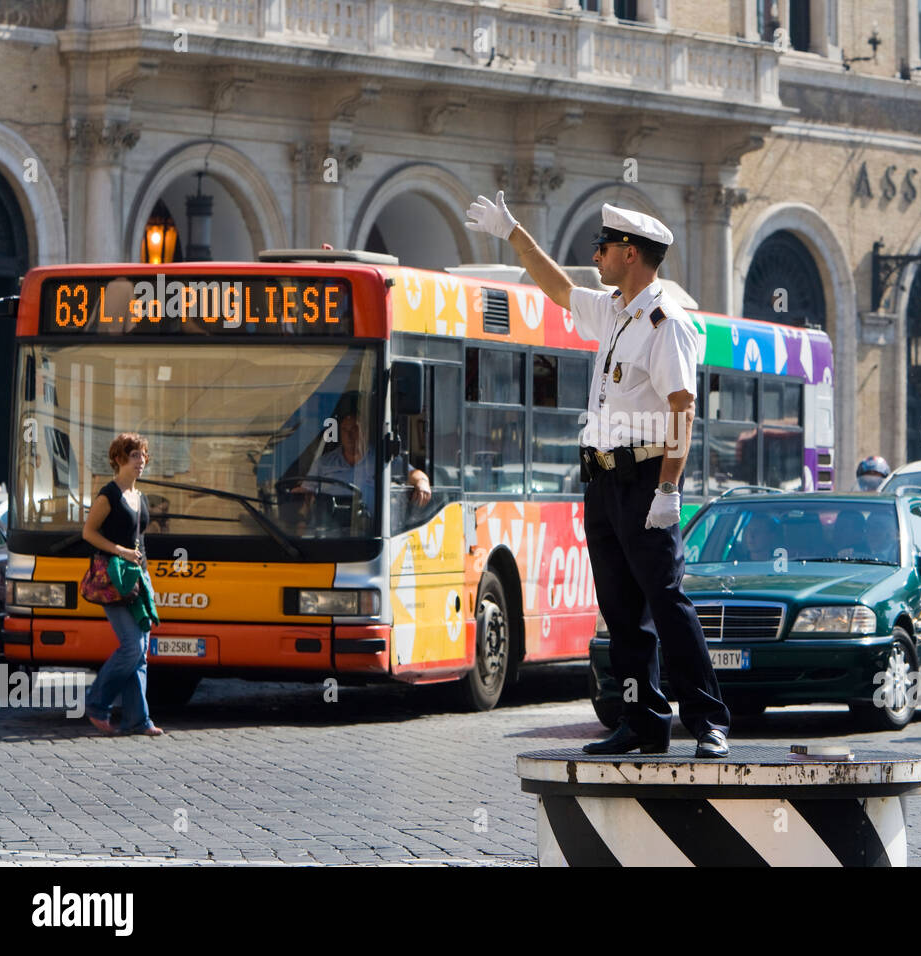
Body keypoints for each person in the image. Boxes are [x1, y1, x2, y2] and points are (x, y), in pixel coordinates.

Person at [465, 192, 730, 758]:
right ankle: (642, 721)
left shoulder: (666, 323)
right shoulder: (614, 309)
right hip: (604, 481)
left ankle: (708, 720)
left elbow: (683, 407)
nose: (599, 255)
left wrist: (668, 489)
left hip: (644, 481)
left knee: (666, 603)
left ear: (630, 253)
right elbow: (558, 288)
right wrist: (513, 231)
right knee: (620, 612)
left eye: (605, 247)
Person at [81, 433, 164, 737]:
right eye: (134, 455)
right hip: (113, 578)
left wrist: (146, 575)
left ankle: (137, 719)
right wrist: (120, 551)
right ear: (118, 458)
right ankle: (97, 704)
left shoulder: (138, 496)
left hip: (138, 577)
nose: (140, 461)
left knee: (141, 651)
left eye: (143, 455)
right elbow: (88, 533)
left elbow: (139, 539)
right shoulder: (109, 495)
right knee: (131, 647)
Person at [295, 391, 430, 513]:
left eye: (354, 429)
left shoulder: (382, 460)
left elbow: (413, 473)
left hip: (369, 532)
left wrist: (422, 482)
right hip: (331, 530)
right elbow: (306, 493)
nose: (349, 435)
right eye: (344, 430)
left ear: (365, 431)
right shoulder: (324, 463)